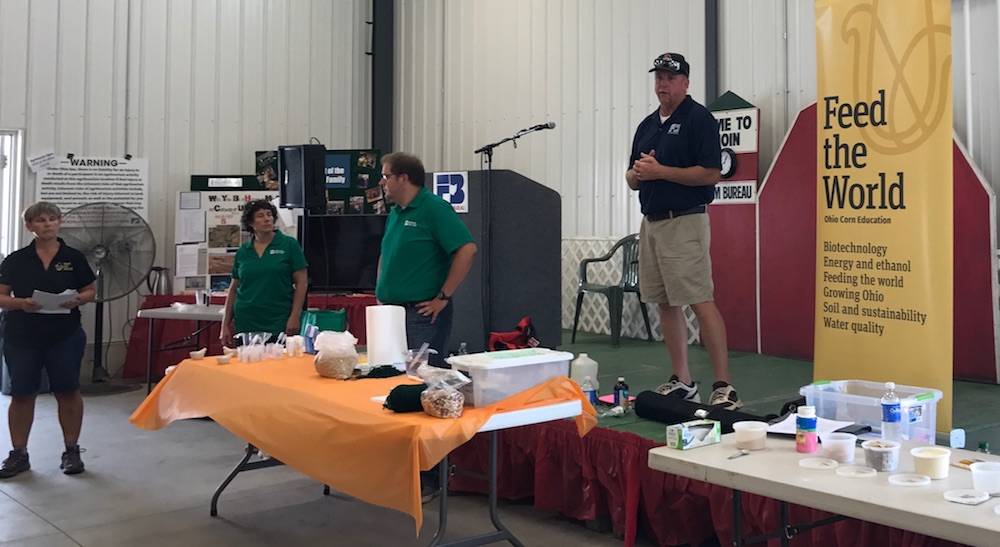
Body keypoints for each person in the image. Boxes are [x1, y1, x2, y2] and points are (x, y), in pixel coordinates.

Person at [626, 52, 742, 410]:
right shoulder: (647, 125)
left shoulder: (698, 119)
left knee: (699, 299)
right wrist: (637, 174)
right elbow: (631, 176)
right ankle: (683, 381)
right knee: (665, 302)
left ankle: (724, 386)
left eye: (670, 78)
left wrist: (661, 171)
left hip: (685, 222)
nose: (663, 84)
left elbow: (711, 173)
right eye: (659, 77)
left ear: (686, 82)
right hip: (652, 223)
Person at [0, 202, 97, 478]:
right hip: (22, 335)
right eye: (40, 220)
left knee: (67, 391)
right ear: (29, 226)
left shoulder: (74, 257)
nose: (47, 224)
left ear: (59, 222)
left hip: (64, 334)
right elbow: (1, 296)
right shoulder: (16, 259)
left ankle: (71, 451)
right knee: (21, 394)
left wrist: (78, 299)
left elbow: (89, 290)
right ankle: (19, 453)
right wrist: (21, 303)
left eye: (52, 219)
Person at [376, 152, 477, 365]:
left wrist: (443, 297)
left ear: (403, 178)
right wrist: (380, 289)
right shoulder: (396, 213)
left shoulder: (434, 208)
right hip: (390, 311)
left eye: (386, 176)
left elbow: (467, 250)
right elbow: (387, 254)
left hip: (420, 313)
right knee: (391, 372)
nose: (381, 182)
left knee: (423, 375)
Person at [221, 200, 308, 345]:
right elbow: (234, 288)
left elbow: (302, 283)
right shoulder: (243, 251)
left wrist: (295, 316)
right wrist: (225, 324)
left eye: (269, 214)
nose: (267, 219)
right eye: (260, 216)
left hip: (278, 319)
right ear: (251, 223)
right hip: (246, 321)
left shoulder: (289, 244)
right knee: (247, 360)